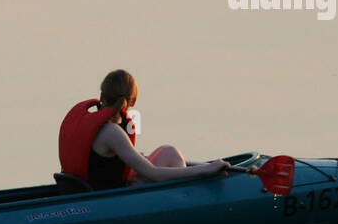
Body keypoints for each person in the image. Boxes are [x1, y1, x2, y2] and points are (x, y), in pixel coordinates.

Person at [58, 69, 229, 190]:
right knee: (172, 154)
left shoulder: (92, 124)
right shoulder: (112, 133)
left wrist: (209, 165)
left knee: (167, 152)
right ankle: (186, 204)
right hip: (110, 199)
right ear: (132, 102)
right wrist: (206, 170)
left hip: (92, 190)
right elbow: (154, 174)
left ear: (102, 96)